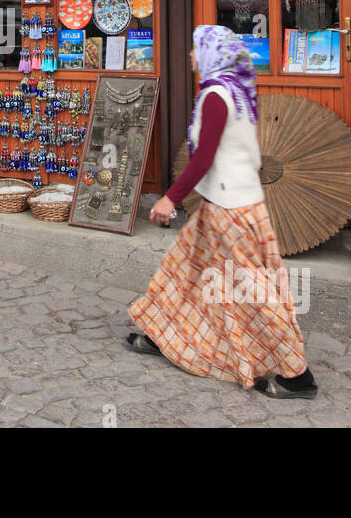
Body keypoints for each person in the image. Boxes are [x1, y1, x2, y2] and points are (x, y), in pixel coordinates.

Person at [125, 25, 317, 399]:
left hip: (231, 208)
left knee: (250, 290)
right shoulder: (237, 90)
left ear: (213, 55)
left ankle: (298, 376)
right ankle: (165, 335)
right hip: (231, 202)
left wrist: (171, 198)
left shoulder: (215, 95)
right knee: (183, 272)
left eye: (197, 51)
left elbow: (204, 157)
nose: (192, 57)